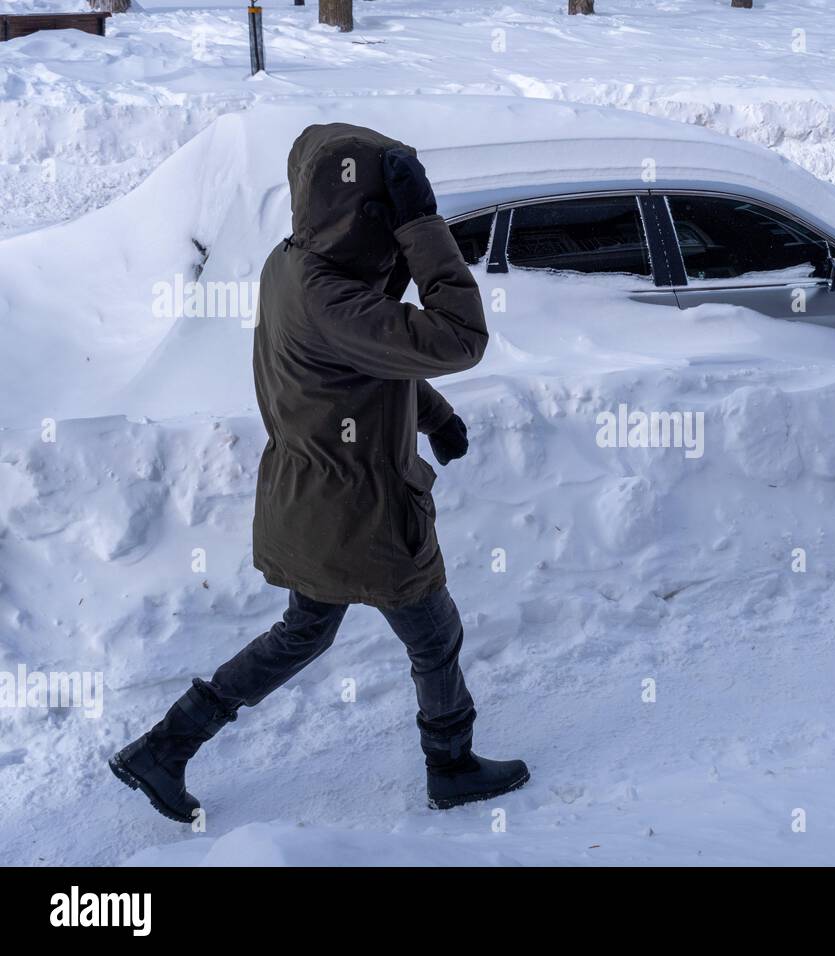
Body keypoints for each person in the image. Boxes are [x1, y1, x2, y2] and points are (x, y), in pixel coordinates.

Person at [110, 123, 528, 821]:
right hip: (368, 515)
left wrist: (435, 416)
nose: (396, 223)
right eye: (386, 211)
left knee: (302, 633)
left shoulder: (292, 264)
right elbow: (461, 337)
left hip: (307, 504)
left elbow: (365, 362)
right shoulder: (335, 297)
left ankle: (165, 746)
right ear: (366, 215)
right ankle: (450, 766)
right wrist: (424, 228)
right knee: (435, 634)